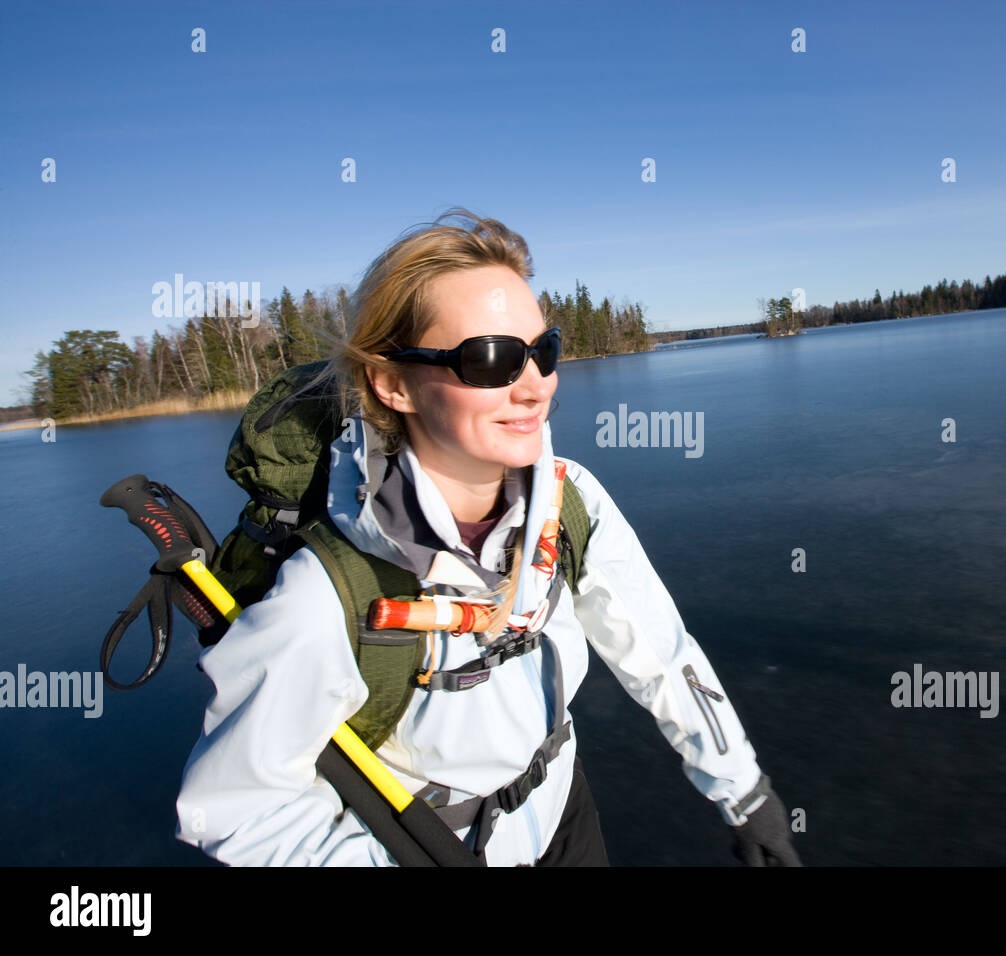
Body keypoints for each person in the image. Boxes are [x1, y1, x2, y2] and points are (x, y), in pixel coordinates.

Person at [174, 209, 800, 866]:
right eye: (491, 359)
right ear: (394, 385)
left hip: (564, 815)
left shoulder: (569, 500)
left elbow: (658, 652)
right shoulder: (328, 594)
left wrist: (743, 791)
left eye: (542, 351)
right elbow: (235, 812)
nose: (535, 386)